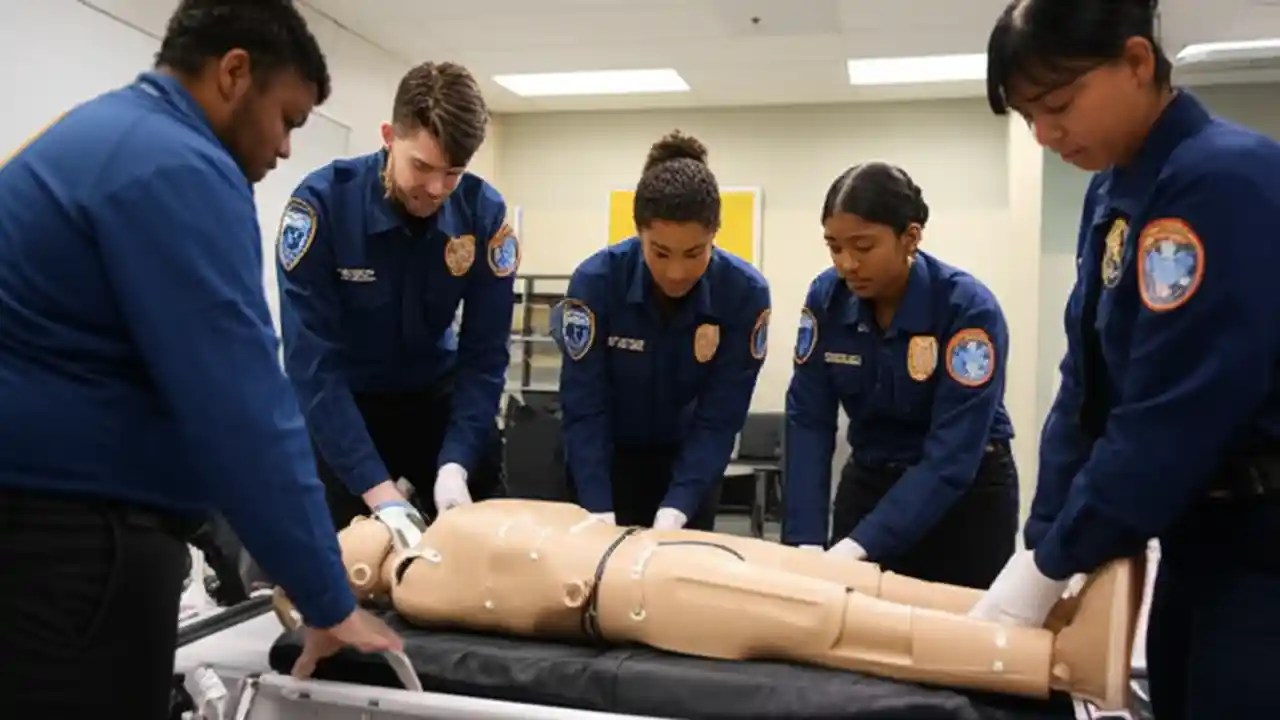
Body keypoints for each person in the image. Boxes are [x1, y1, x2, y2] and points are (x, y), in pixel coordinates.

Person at [0, 1, 402, 717]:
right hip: (67, 546)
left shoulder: (105, 132)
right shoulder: (178, 165)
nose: (284, 149)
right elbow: (243, 406)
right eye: (288, 119)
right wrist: (326, 596)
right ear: (234, 73)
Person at [969, 1, 1280, 717]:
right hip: (1196, 532)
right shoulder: (1114, 192)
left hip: (1264, 545)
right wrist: (1041, 544)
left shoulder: (1221, 181)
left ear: (1138, 63)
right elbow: (1085, 389)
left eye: (1058, 103)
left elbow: (1177, 411)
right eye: (1026, 117)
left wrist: (1055, 561)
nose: (1046, 134)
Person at [274, 498, 1145, 711]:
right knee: (828, 628)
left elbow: (557, 520)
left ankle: (1048, 614)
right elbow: (525, 596)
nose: (354, 524)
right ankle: (1050, 662)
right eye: (342, 539)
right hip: (635, 593)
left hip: (653, 550)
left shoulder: (443, 525)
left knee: (846, 581)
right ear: (355, 581)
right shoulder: (420, 577)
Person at [277, 61, 511, 531]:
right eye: (421, 166)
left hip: (436, 402)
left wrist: (456, 465)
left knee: (489, 547)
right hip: (346, 405)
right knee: (337, 558)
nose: (435, 188)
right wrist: (379, 493)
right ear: (389, 136)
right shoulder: (321, 206)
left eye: (453, 173)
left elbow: (484, 357)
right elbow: (311, 364)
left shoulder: (484, 215)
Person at [782, 162, 1018, 590]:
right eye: (834, 247)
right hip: (872, 478)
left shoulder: (967, 310)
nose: (846, 263)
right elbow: (808, 419)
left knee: (956, 642)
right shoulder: (827, 298)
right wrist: (805, 540)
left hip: (964, 498)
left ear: (910, 237)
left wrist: (860, 546)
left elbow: (951, 457)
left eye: (863, 246)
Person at [552, 131, 771, 531]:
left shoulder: (744, 294)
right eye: (660, 252)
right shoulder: (596, 282)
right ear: (639, 232)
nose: (677, 272)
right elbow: (585, 405)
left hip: (689, 465)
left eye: (694, 253)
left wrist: (678, 507)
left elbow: (720, 417)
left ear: (714, 234)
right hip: (603, 462)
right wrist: (598, 506)